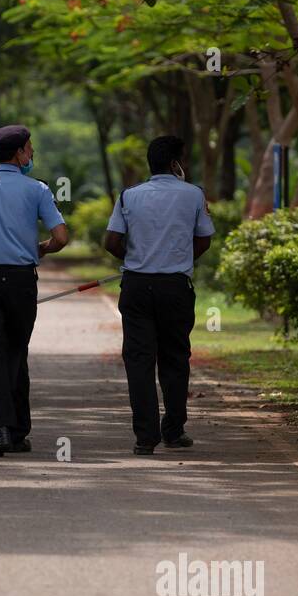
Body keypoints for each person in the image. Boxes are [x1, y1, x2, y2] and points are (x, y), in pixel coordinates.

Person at [0, 124, 69, 457]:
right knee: (15, 351)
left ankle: (4, 431)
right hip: (20, 281)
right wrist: (41, 248)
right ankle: (14, 430)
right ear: (19, 153)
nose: (32, 153)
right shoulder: (38, 190)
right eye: (30, 148)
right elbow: (61, 237)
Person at [103, 135, 214, 455]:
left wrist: (137, 260)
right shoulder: (193, 195)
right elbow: (204, 240)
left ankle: (145, 437)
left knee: (138, 361)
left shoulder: (129, 196)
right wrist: (177, 259)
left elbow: (111, 242)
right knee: (175, 358)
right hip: (175, 287)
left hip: (136, 287)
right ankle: (174, 430)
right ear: (174, 163)